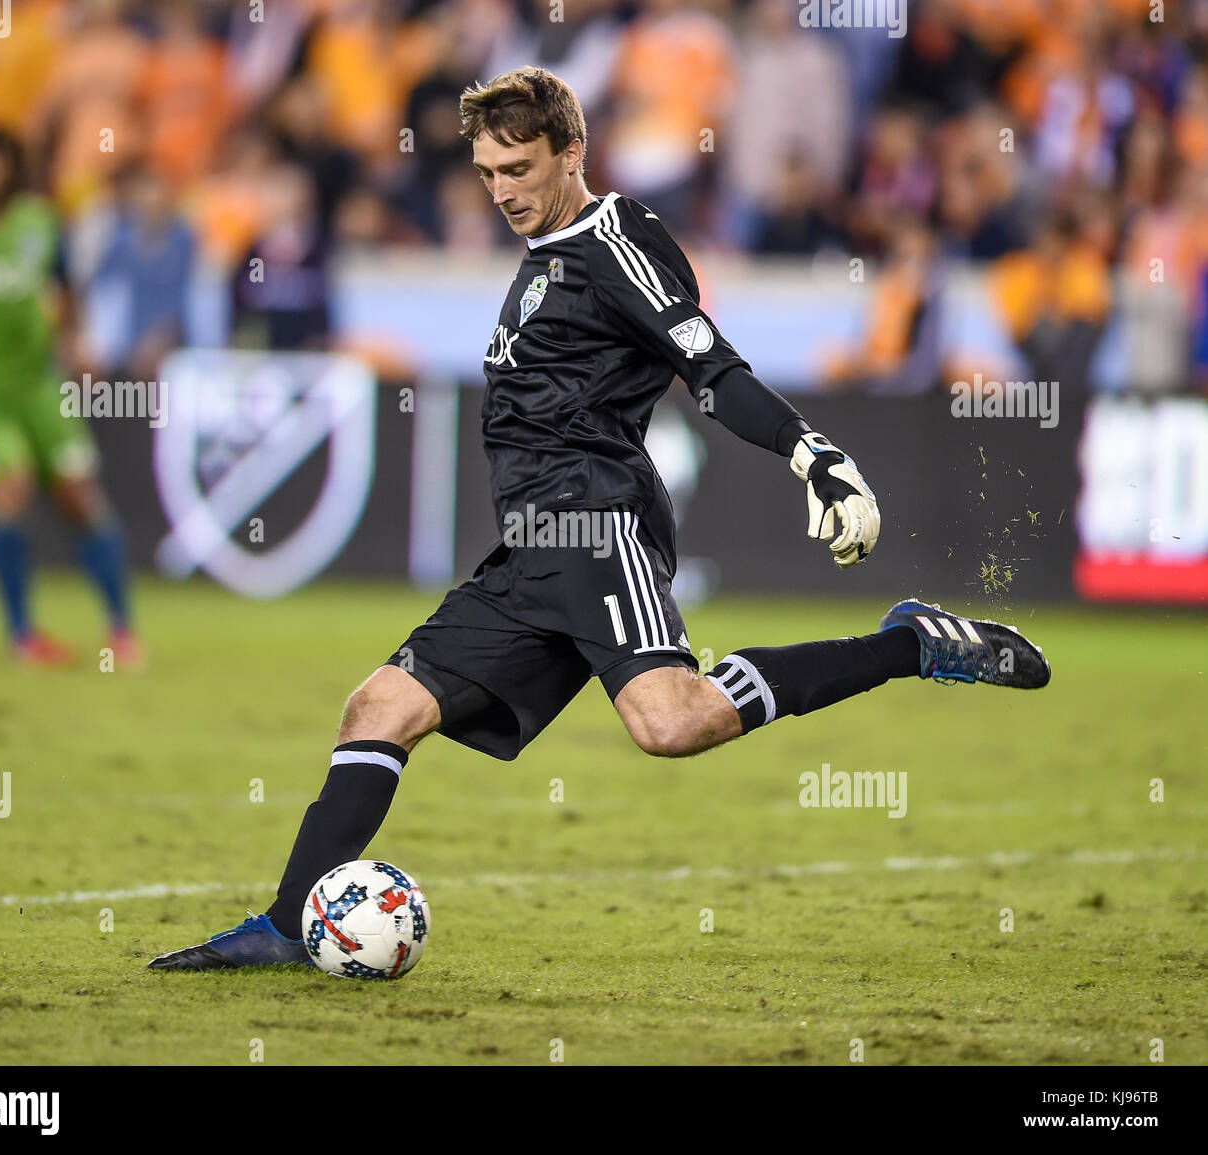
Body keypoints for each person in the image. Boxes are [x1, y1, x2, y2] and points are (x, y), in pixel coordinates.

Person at [150, 68, 1049, 973]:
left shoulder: (616, 241)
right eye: (487, 173)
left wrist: (810, 452)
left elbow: (712, 367)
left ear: (572, 152)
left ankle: (907, 645)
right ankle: (284, 926)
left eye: (519, 168)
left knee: (673, 722)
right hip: (530, 550)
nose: (503, 191)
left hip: (596, 524)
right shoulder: (547, 251)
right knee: (379, 708)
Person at [0, 126, 140, 668]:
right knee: (9, 488)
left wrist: (78, 344)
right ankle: (22, 635)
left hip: (40, 383)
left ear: (10, 167)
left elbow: (67, 290)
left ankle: (121, 628)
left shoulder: (40, 224)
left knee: (80, 496)